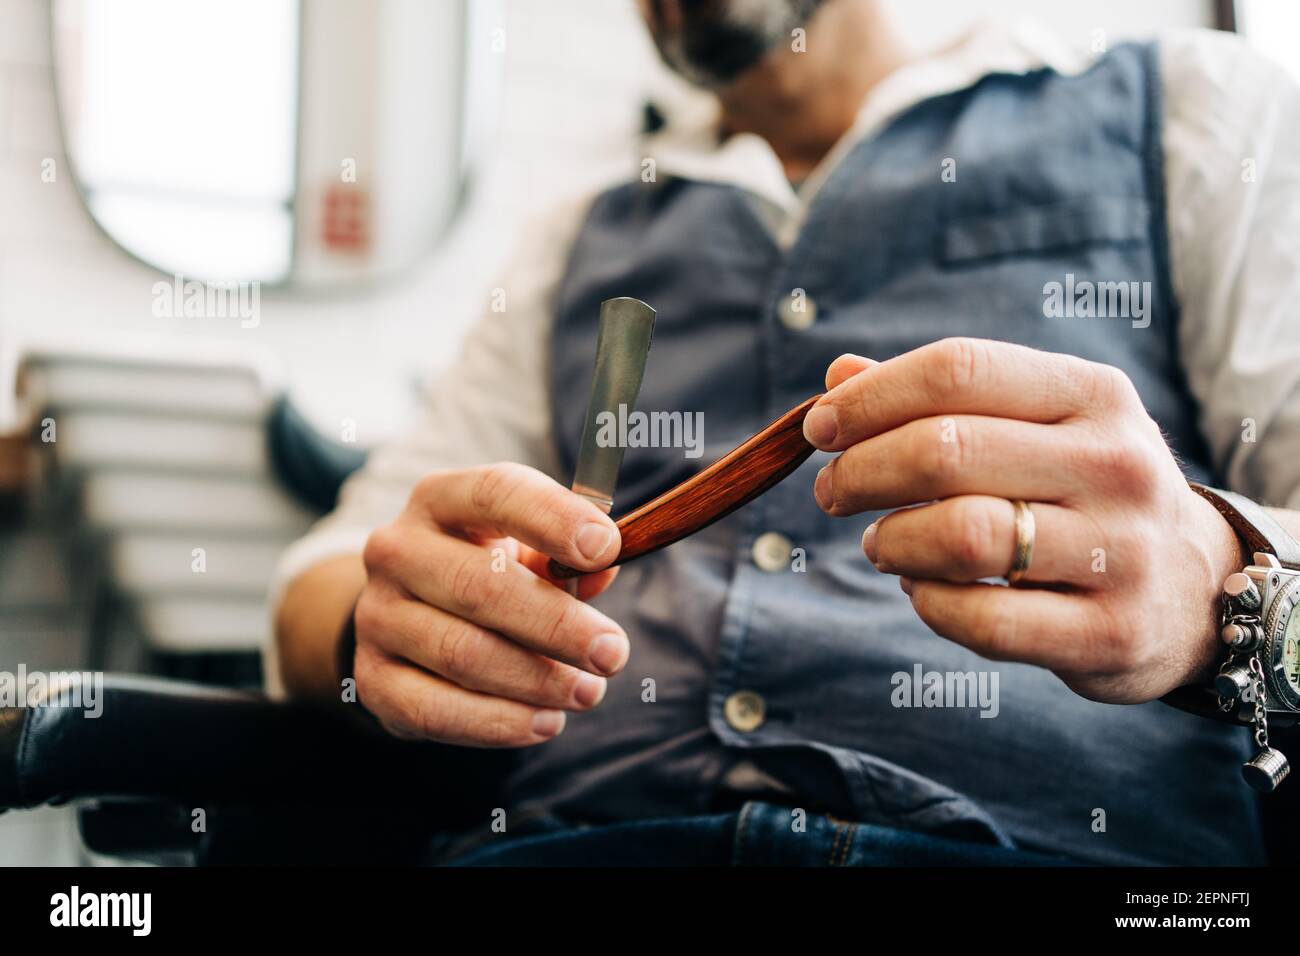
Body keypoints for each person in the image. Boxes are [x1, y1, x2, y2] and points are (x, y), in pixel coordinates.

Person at [269, 0, 1300, 865]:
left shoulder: (1201, 115)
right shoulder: (576, 233)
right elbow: (328, 577)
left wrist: (1217, 590)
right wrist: (382, 626)